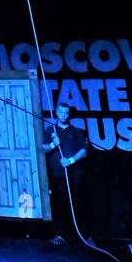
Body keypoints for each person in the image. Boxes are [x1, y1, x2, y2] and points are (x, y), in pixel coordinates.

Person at [42, 102, 89, 244]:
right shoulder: (51, 130)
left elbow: (84, 151)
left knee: (76, 204)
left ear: (69, 114)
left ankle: (80, 236)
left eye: (66, 113)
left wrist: (71, 160)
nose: (63, 115)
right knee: (59, 205)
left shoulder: (76, 131)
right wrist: (52, 144)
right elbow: (43, 148)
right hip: (57, 175)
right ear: (56, 112)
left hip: (75, 174)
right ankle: (60, 236)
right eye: (61, 112)